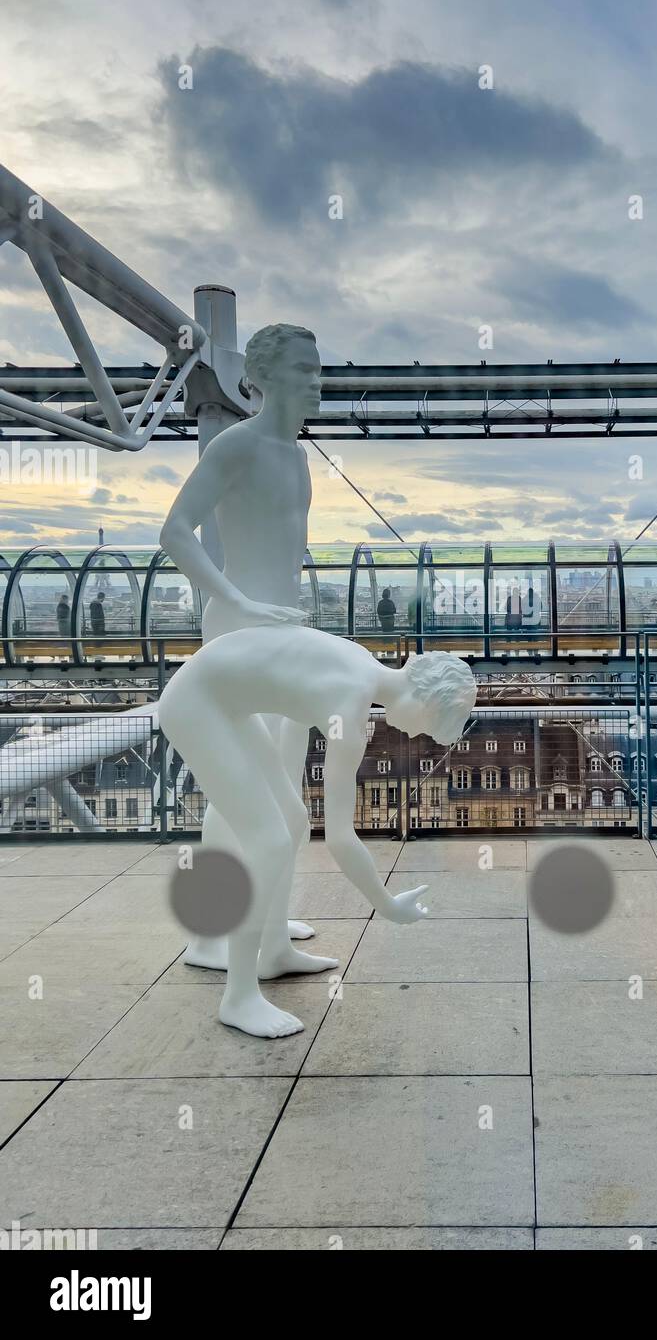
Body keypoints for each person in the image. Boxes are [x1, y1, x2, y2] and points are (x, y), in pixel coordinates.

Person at [158, 629, 476, 1038]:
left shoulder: (360, 663)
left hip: (220, 700)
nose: (417, 736)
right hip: (197, 705)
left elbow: (294, 701)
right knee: (269, 842)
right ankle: (238, 997)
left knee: (292, 821)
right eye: (429, 725)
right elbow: (341, 837)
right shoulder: (351, 705)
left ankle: (273, 952)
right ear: (425, 699)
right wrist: (386, 904)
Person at [160, 323, 321, 972]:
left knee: (273, 784)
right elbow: (174, 531)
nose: (317, 381)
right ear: (268, 376)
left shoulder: (296, 455)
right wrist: (239, 598)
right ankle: (219, 935)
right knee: (244, 791)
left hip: (283, 634)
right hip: (239, 634)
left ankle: (265, 924)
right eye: (305, 369)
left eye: (317, 369)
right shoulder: (237, 444)